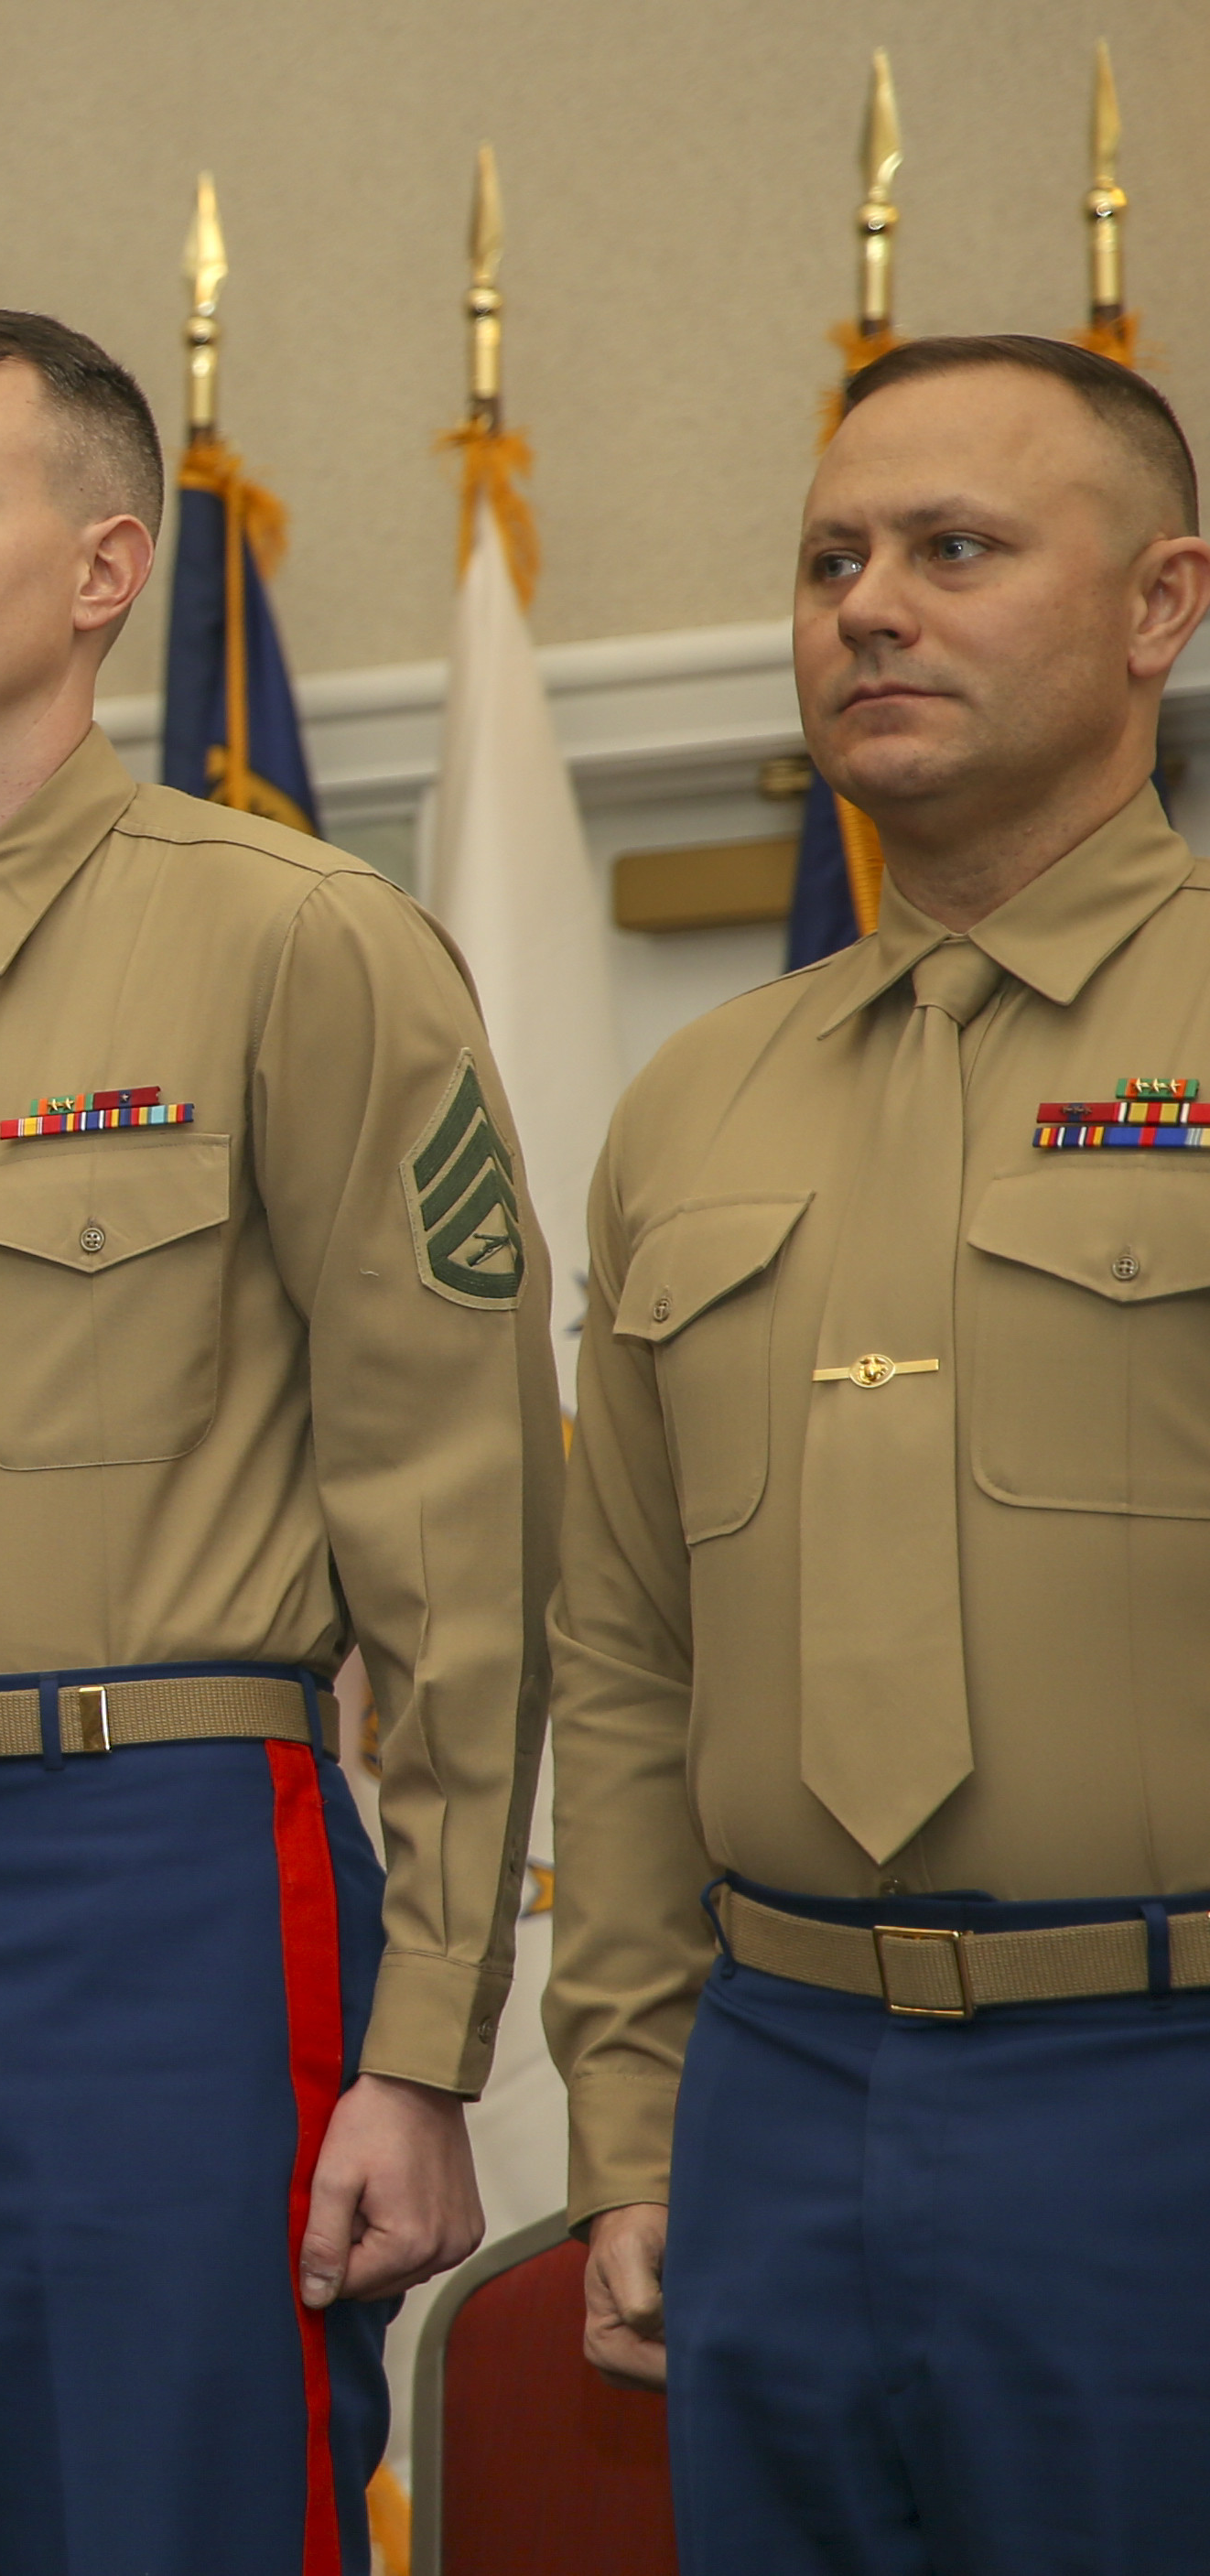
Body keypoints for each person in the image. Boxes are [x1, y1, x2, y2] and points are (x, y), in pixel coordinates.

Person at [0, 309, 560, 2576]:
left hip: (146, 1877)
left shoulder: (298, 944)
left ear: (101, 570)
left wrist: (426, 2038)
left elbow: (456, 1526)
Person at [549, 336, 1210, 2563]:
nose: (866, 606)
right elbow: (627, 1660)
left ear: (1156, 606)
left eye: (951, 549)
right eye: (829, 559)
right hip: (780, 2090)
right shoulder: (691, 1109)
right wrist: (629, 2116)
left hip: (1161, 2086)